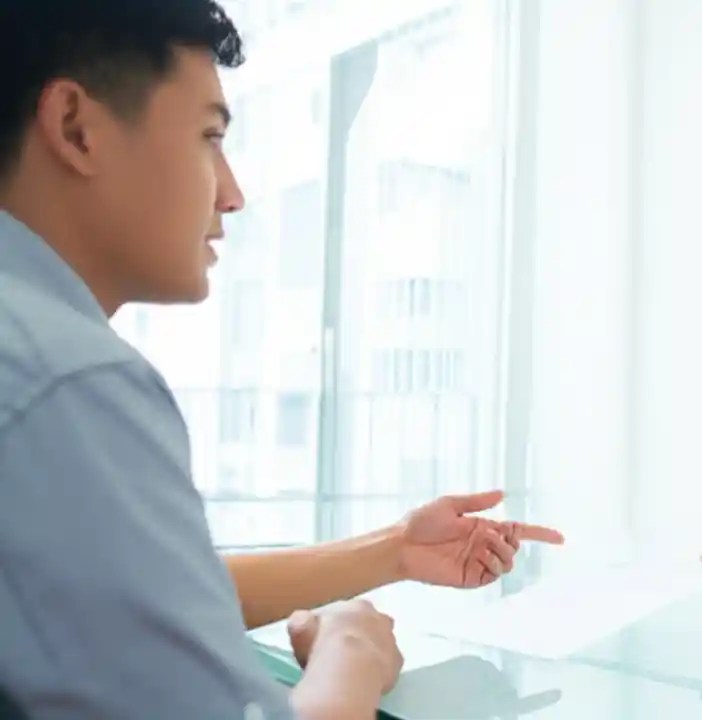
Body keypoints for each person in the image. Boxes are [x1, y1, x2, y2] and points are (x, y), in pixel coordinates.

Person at [0, 1, 560, 718]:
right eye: (209, 136)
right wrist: (351, 654)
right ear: (77, 127)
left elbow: (124, 591)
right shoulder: (72, 382)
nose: (232, 193)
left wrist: (395, 550)